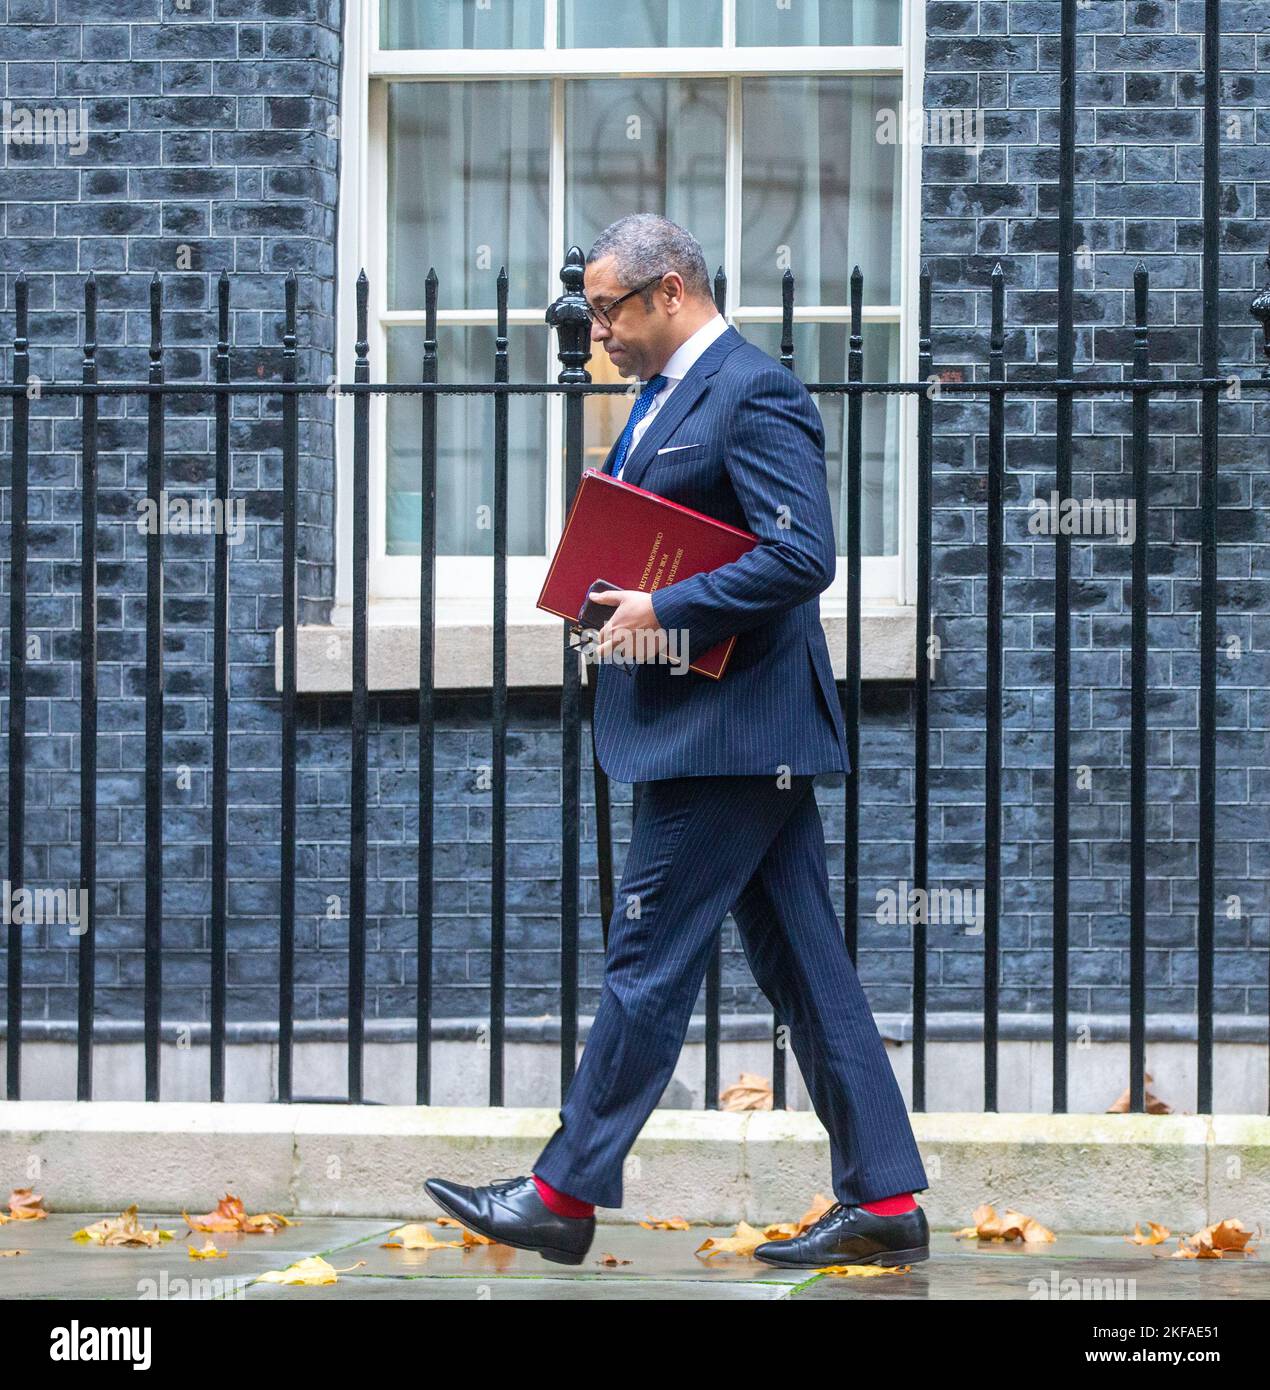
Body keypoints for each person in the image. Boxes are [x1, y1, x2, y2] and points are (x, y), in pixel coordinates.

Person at [426, 213, 929, 1268]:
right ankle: (884, 1205)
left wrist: (662, 608)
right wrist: (609, 597)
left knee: (647, 960)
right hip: (725, 728)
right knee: (805, 965)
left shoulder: (753, 389)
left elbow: (805, 557)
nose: (592, 327)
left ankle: (563, 1192)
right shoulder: (661, 397)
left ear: (667, 291)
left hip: (729, 732)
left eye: (605, 307)